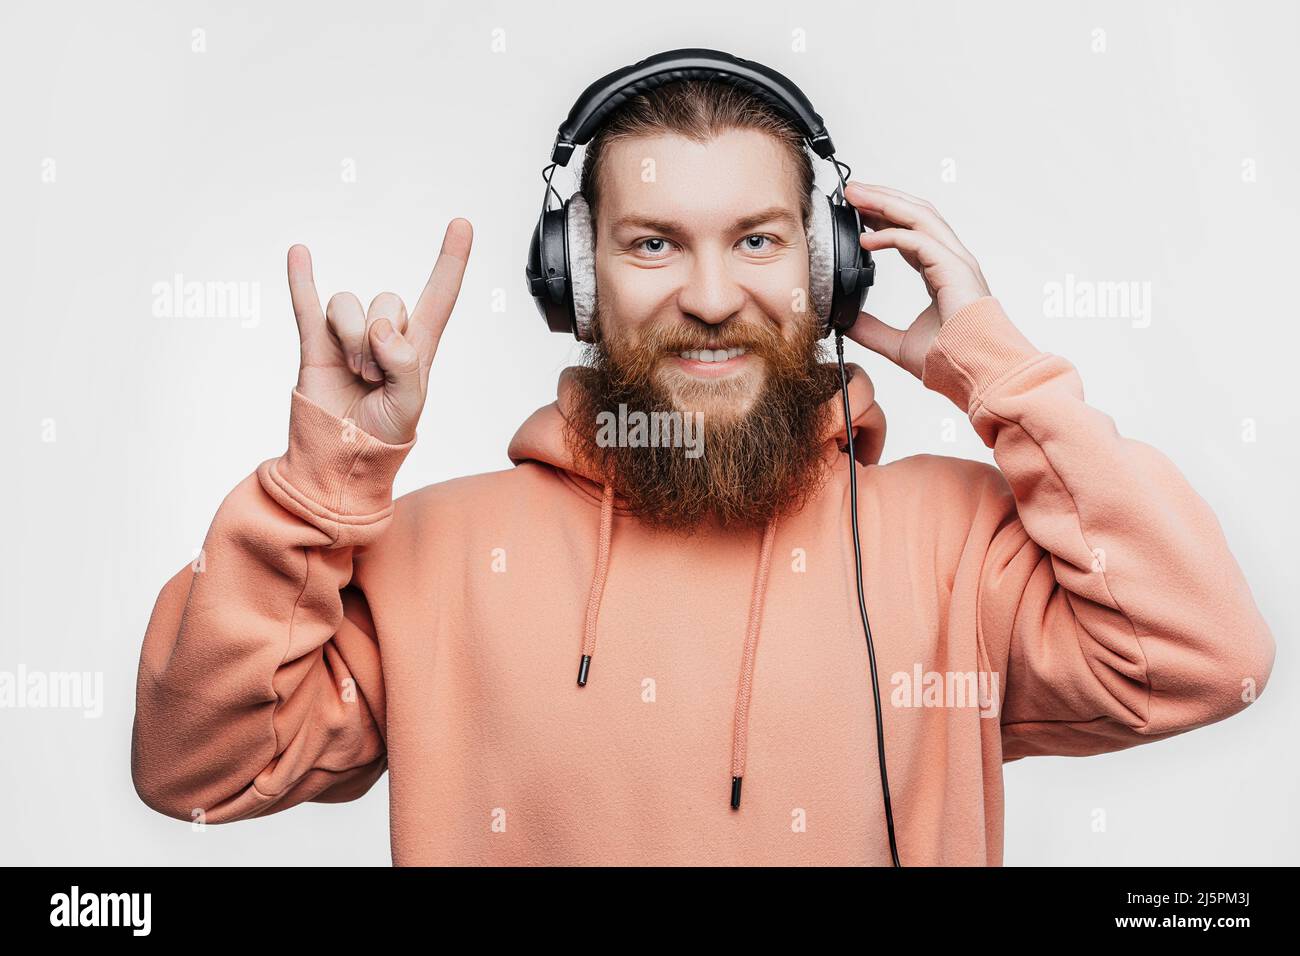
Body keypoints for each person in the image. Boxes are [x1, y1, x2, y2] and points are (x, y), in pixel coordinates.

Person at [130, 71, 1275, 866]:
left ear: (830, 273)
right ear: (575, 283)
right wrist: (320, 479)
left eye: (760, 239)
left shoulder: (951, 542)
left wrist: (1001, 375)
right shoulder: (430, 552)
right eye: (652, 243)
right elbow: (199, 768)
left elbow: (1203, 654)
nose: (713, 295)